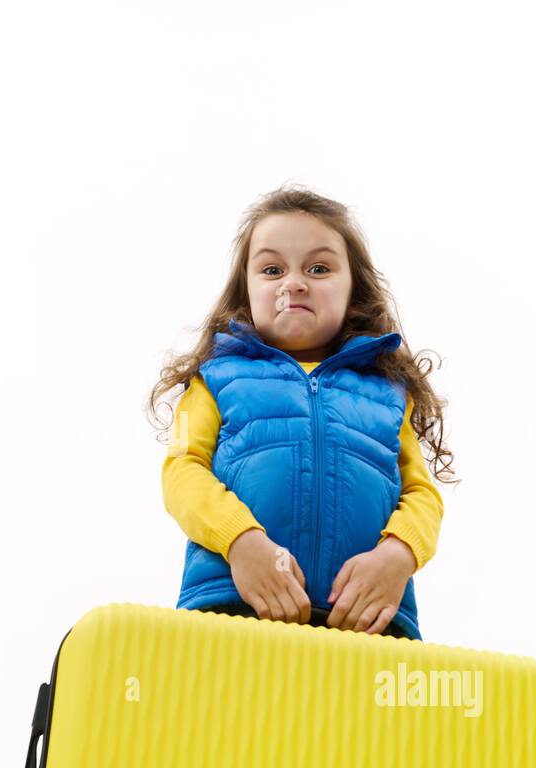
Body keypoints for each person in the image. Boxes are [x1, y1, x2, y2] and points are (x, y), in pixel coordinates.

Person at [148, 184, 458, 640]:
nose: (294, 282)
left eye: (318, 267)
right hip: (231, 609)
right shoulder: (215, 377)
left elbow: (421, 495)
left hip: (366, 622)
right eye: (272, 269)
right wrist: (242, 542)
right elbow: (182, 471)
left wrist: (398, 556)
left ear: (354, 292)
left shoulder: (390, 391)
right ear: (246, 292)